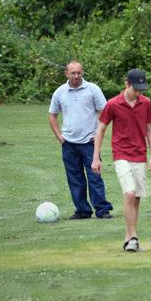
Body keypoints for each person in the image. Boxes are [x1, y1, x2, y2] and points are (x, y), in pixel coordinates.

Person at [92, 68, 151, 252]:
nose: (139, 93)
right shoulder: (113, 104)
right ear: (126, 84)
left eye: (141, 89)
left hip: (140, 155)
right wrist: (96, 157)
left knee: (136, 198)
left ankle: (129, 239)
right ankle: (133, 236)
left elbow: (149, 130)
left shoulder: (146, 103)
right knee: (129, 193)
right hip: (121, 154)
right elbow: (101, 129)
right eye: (136, 89)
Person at [48, 61, 114, 220]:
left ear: (82, 72)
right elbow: (52, 115)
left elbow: (105, 113)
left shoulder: (93, 89)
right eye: (73, 73)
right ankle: (82, 211)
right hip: (69, 144)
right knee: (75, 179)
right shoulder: (60, 92)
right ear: (66, 73)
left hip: (89, 142)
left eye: (79, 72)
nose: (76, 76)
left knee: (95, 176)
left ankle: (102, 210)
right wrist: (59, 136)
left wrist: (98, 133)